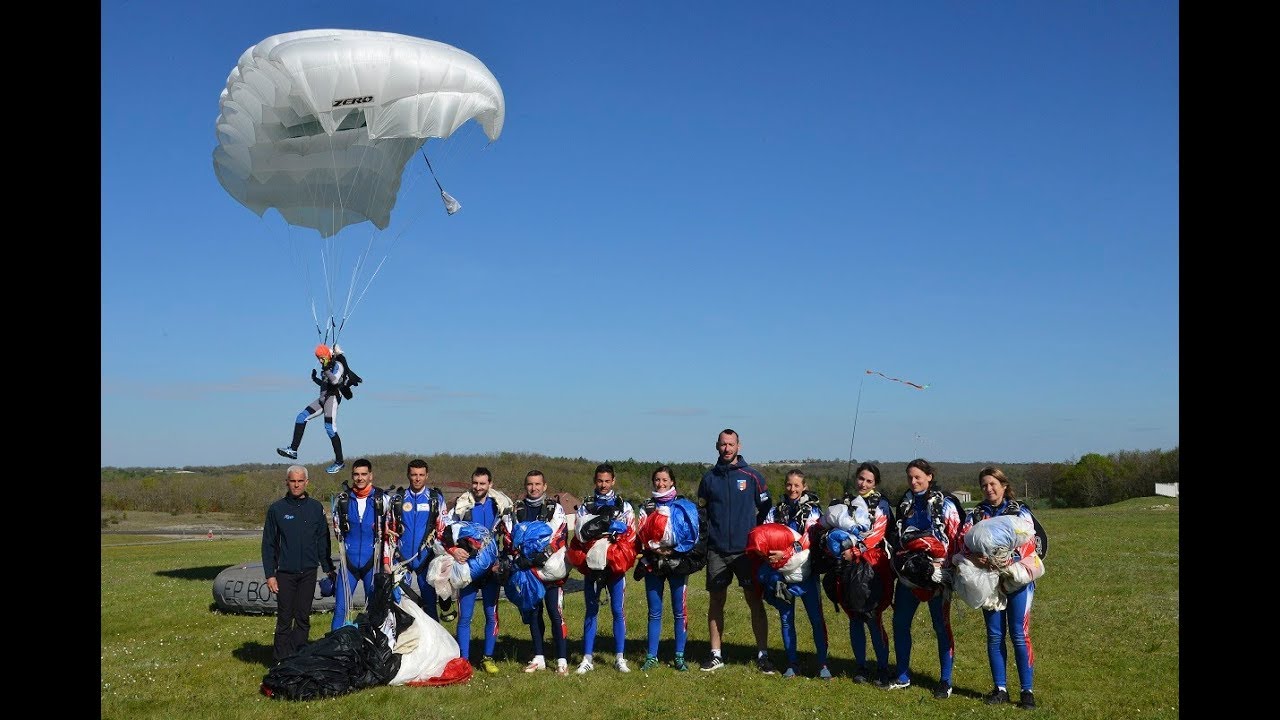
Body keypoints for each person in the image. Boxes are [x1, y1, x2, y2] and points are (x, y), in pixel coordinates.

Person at [956, 466, 1046, 710]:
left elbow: (1034, 542)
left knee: (1019, 634)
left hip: (1017, 580)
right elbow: (961, 544)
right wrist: (977, 560)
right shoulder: (975, 515)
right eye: (984, 485)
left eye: (993, 484)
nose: (989, 489)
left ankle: (1027, 691)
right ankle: (1000, 688)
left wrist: (1010, 560)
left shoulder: (1020, 512)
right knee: (995, 635)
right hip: (988, 582)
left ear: (1004, 485)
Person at [696, 428, 774, 673]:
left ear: (739, 446)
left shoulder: (752, 476)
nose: (727, 448)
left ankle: (763, 655)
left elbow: (765, 509)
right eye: (722, 444)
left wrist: (756, 539)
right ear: (716, 446)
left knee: (754, 600)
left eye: (731, 444)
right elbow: (703, 514)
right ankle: (716, 654)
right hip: (717, 551)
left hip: (746, 552)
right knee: (716, 600)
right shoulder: (709, 478)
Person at [887, 458, 963, 699]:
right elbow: (895, 536)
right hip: (909, 576)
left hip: (937, 576)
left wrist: (945, 567)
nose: (913, 481)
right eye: (910, 477)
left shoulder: (946, 503)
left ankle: (945, 680)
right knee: (900, 623)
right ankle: (902, 675)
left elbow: (957, 537)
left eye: (918, 477)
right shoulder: (904, 503)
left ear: (930, 476)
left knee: (941, 627)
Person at [759, 469, 831, 679]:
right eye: (789, 485)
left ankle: (823, 663)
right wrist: (769, 556)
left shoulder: (814, 511)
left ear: (804, 486)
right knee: (786, 618)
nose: (792, 489)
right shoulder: (776, 511)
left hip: (807, 573)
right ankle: (792, 662)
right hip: (782, 572)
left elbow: (809, 537)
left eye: (797, 485)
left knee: (816, 619)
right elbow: (765, 533)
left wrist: (787, 552)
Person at [634, 465, 706, 672]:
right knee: (654, 612)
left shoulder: (683, 505)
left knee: (679, 612)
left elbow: (691, 534)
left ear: (672, 482)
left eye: (665, 480)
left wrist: (673, 551)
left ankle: (679, 656)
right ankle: (651, 656)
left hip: (678, 564)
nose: (661, 484)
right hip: (653, 564)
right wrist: (655, 549)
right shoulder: (647, 507)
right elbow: (641, 535)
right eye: (657, 480)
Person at [261, 464, 335, 663]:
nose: (296, 485)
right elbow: (268, 544)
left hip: (308, 572)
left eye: (300, 481)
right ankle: (279, 660)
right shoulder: (277, 509)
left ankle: (298, 657)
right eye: (292, 481)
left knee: (303, 617)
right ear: (287, 482)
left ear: (306, 482)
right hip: (285, 573)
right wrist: (270, 574)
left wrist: (328, 568)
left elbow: (322, 540)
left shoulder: (315, 508)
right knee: (285, 618)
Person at [447, 466, 514, 674]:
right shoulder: (461, 506)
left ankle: (488, 657)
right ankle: (464, 659)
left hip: (491, 571)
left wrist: (503, 561)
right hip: (468, 570)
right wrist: (454, 550)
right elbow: (446, 534)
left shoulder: (500, 505)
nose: (478, 487)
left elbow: (510, 538)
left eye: (482, 484)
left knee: (491, 615)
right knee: (465, 617)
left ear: (490, 485)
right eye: (475, 483)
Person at [572, 463, 637, 674]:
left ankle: (620, 657)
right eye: (600, 481)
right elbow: (580, 535)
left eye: (607, 481)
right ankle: (587, 658)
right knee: (591, 611)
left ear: (613, 481)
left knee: (618, 610)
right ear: (595, 481)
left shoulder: (624, 506)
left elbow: (631, 535)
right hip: (593, 564)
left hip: (616, 565)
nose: (603, 485)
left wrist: (614, 535)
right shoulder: (585, 506)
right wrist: (604, 529)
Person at [840, 462, 897, 688]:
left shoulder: (882, 505)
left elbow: (877, 533)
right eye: (861, 479)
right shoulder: (848, 503)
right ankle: (861, 666)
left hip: (874, 566)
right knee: (854, 616)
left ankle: (882, 667)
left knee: (873, 617)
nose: (863, 484)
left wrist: (854, 550)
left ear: (876, 483)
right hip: (849, 565)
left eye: (869, 481)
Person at [510, 470, 570, 676]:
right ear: (525, 486)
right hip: (528, 571)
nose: (533, 488)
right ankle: (539, 657)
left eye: (537, 484)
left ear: (545, 486)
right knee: (534, 614)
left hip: (552, 571)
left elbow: (560, 535)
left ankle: (562, 660)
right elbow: (511, 536)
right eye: (529, 484)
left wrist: (542, 556)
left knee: (555, 612)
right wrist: (521, 556)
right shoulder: (516, 509)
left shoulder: (555, 508)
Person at [330, 458, 390, 631]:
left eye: (364, 474)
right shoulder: (343, 500)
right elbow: (337, 531)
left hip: (373, 562)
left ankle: (371, 652)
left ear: (371, 476)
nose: (360, 478)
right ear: (352, 476)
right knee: (340, 610)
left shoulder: (382, 500)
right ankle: (334, 652)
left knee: (374, 611)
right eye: (356, 474)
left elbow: (389, 532)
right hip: (348, 563)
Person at [276, 343, 352, 474]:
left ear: (328, 355)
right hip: (322, 399)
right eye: (319, 359)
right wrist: (315, 379)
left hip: (332, 399)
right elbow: (325, 383)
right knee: (301, 417)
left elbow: (334, 381)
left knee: (330, 428)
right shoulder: (326, 366)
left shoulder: (337, 366)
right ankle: (293, 450)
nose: (321, 361)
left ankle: (339, 462)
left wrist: (327, 369)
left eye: (322, 358)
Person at [390, 459, 449, 619]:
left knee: (430, 604)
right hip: (402, 560)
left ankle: (435, 642)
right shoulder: (397, 500)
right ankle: (401, 641)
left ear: (427, 476)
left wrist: (444, 557)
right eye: (414, 475)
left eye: (421, 475)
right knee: (398, 604)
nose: (417, 478)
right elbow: (390, 531)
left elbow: (443, 529)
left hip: (426, 559)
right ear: (408, 475)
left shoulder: (435, 499)